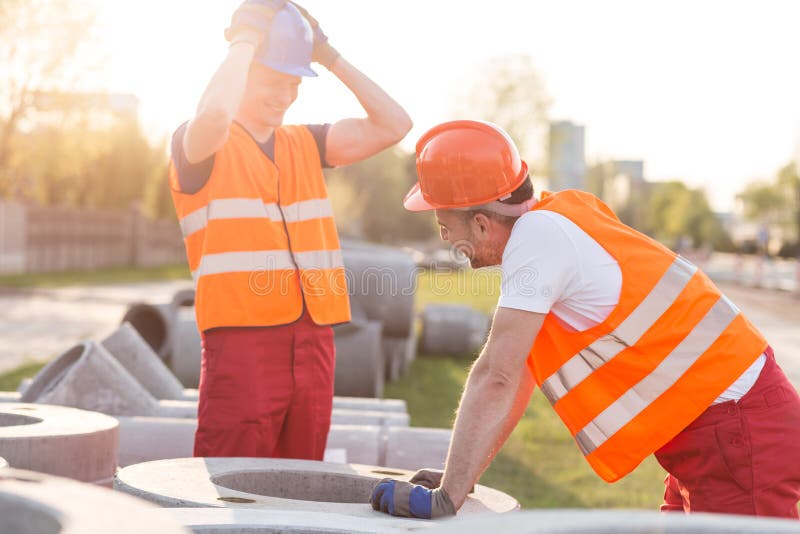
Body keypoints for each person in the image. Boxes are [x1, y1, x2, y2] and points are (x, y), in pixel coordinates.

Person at [369, 120, 800, 519]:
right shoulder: (556, 222)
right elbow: (514, 379)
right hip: (719, 432)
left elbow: (495, 375)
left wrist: (448, 497)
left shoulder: (538, 241)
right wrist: (458, 479)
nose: (447, 241)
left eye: (446, 227)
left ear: (481, 224)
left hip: (738, 435)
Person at [169, 0, 411, 459]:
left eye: (294, 82)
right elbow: (216, 116)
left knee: (301, 483)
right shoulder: (198, 144)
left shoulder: (304, 143)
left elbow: (395, 124)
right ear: (242, 72)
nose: (285, 95)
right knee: (232, 487)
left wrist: (328, 55)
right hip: (242, 343)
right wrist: (245, 40)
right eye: (273, 80)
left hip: (315, 342)